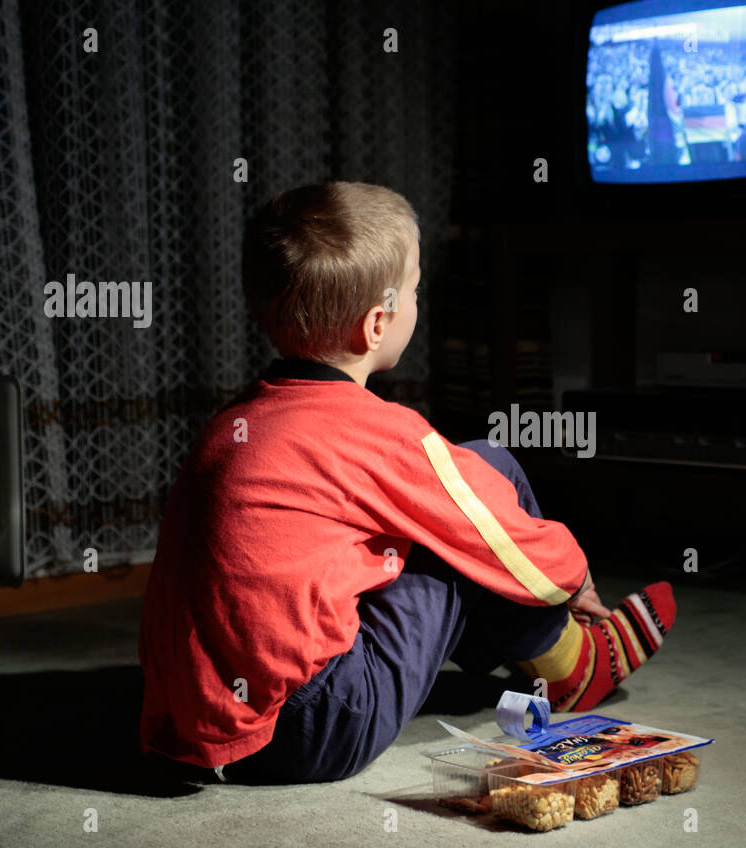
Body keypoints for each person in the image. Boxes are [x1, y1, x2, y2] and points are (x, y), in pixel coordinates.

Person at [137, 183, 677, 784]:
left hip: (195, 727)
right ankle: (570, 659)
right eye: (415, 290)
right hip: (318, 728)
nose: (421, 302)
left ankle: (531, 648)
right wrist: (571, 576)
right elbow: (489, 528)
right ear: (376, 325)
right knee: (486, 475)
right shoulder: (376, 432)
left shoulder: (233, 425)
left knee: (436, 508)